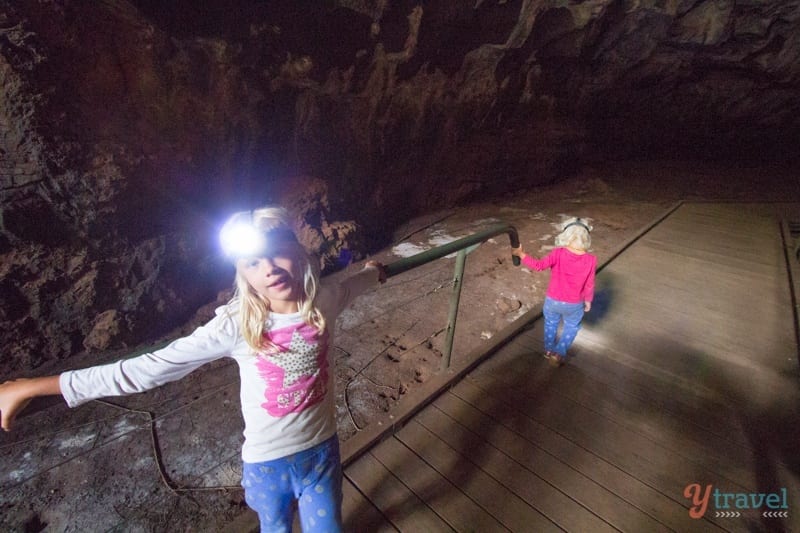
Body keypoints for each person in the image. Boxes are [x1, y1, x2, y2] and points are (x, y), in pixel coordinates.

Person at [0, 206, 387, 532]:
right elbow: (146, 369)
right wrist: (33, 386)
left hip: (322, 453)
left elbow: (359, 282)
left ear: (298, 251)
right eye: (253, 262)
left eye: (277, 251)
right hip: (268, 467)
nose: (268, 268)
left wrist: (376, 270)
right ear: (245, 275)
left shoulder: (325, 300)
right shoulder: (237, 325)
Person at [512, 217, 596, 366]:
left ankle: (549, 350)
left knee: (551, 324)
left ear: (566, 235)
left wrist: (521, 254)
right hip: (575, 303)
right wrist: (588, 300)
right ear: (586, 238)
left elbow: (538, 265)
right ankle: (558, 353)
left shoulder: (558, 253)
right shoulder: (591, 260)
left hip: (553, 301)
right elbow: (589, 283)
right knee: (572, 326)